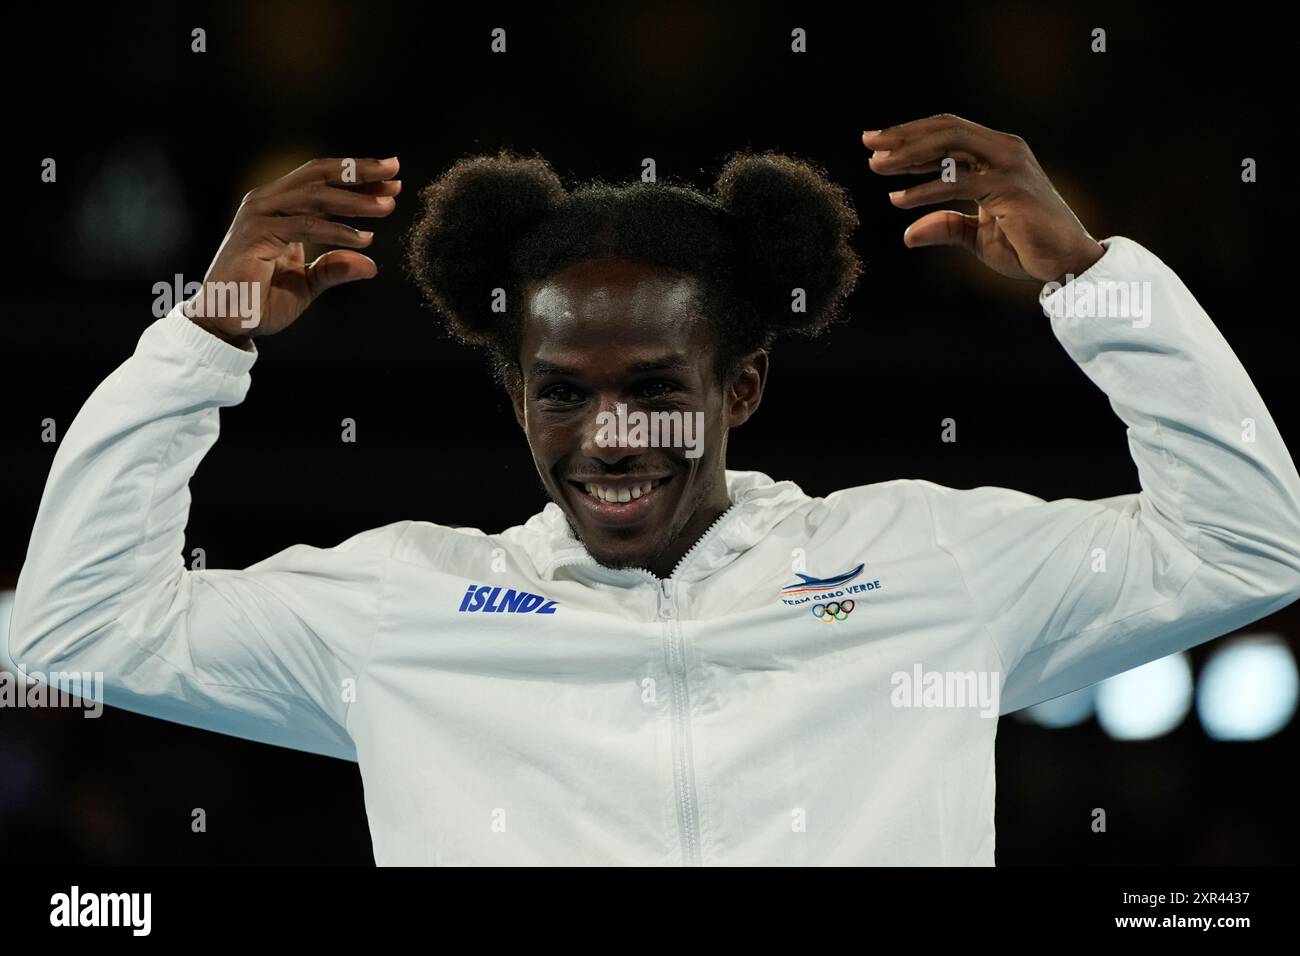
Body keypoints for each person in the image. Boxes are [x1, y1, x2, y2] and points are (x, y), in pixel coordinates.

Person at [10, 115, 1300, 865]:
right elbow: (74, 631)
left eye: (657, 385)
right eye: (562, 389)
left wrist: (1094, 281)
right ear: (518, 400)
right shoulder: (408, 610)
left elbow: (1254, 545)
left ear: (739, 389)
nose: (611, 433)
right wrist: (208, 337)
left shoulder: (920, 565)